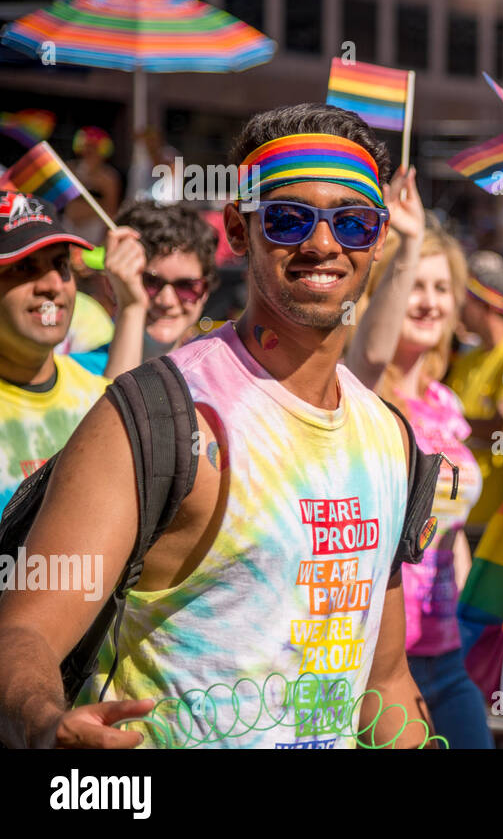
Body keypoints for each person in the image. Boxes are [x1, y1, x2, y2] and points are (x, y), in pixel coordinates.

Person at [0, 105, 429, 749]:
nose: (322, 244)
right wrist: (45, 723)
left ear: (377, 237)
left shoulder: (390, 440)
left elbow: (386, 682)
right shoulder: (155, 417)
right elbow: (24, 630)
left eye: (352, 221)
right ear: (237, 228)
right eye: (287, 218)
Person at [345, 178, 493, 750]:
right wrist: (405, 245)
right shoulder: (359, 391)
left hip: (445, 649)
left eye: (442, 287)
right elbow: (372, 354)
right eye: (413, 285)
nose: (430, 301)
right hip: (376, 654)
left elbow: (451, 526)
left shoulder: (447, 404)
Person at [0, 190, 146, 513]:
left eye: (61, 265)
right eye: (25, 268)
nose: (53, 284)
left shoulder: (95, 397)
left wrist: (133, 305)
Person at [69, 199, 219, 376]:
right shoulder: (76, 374)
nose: (167, 301)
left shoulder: (215, 375)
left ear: (205, 291)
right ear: (112, 284)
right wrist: (131, 306)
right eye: (150, 282)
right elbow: (120, 402)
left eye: (186, 286)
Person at [446, 252, 503, 535]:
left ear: (485, 305)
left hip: (499, 521)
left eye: (465, 303)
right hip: (462, 514)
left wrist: (445, 428)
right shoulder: (468, 359)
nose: (457, 310)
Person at [66, 127, 121, 246]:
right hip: (68, 227)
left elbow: (111, 210)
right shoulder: (69, 169)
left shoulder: (109, 178)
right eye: (86, 146)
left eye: (94, 147)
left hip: (93, 233)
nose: (89, 151)